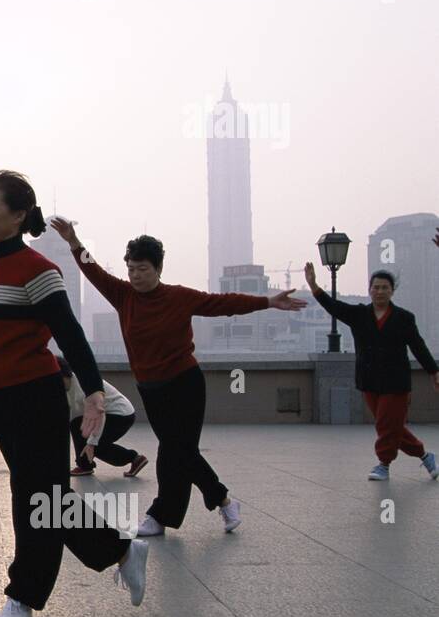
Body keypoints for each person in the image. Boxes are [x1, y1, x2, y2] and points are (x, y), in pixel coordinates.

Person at [0, 115, 148, 617]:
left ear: (19, 215)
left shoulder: (40, 272)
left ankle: (23, 595)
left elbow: (70, 334)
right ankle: (122, 553)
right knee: (47, 496)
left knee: (35, 498)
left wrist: (93, 392)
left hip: (36, 397)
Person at [52, 217, 306, 537]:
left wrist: (268, 301)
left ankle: (160, 516)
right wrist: (74, 243)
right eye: (131, 268)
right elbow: (93, 272)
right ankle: (223, 499)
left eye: (142, 268)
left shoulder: (178, 296)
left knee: (174, 451)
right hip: (151, 390)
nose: (135, 275)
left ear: (158, 269)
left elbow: (222, 304)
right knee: (181, 451)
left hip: (184, 384)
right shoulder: (123, 295)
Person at [304, 263, 439, 480]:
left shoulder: (404, 318)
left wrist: (434, 371)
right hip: (369, 380)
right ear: (370, 290)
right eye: (376, 287)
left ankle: (383, 464)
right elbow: (334, 307)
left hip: (396, 382)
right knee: (390, 426)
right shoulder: (359, 314)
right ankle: (425, 455)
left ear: (392, 291)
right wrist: (314, 286)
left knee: (386, 425)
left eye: (385, 287)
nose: (380, 291)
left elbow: (418, 346)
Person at [56, 357, 145, 478]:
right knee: (76, 424)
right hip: (109, 413)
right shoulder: (66, 388)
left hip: (121, 415)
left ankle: (134, 458)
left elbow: (100, 415)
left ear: (65, 374)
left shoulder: (83, 385)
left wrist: (92, 442)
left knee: (96, 446)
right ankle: (85, 465)